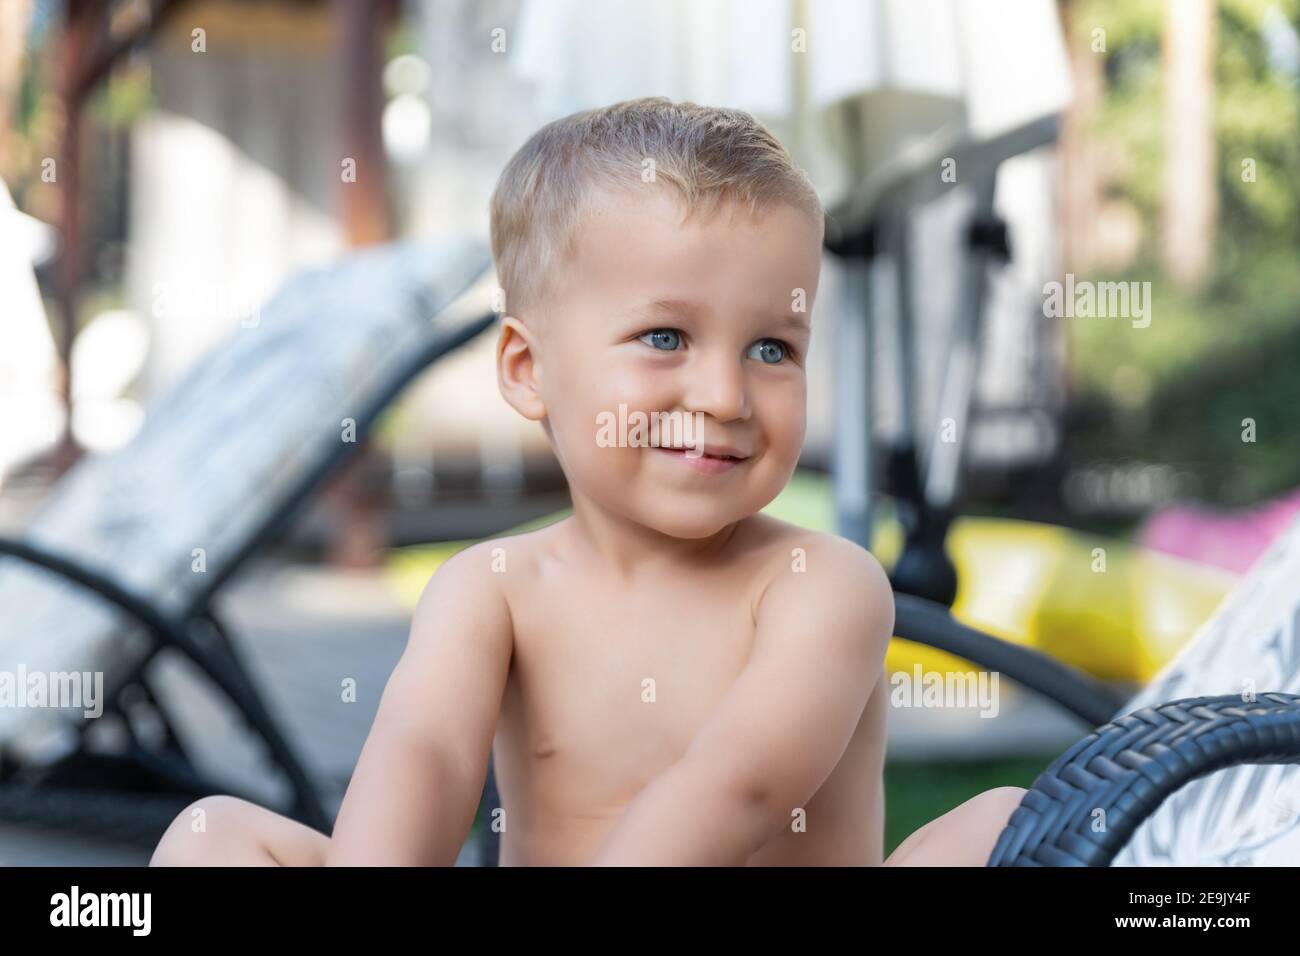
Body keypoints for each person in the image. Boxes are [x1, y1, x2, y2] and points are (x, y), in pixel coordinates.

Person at [151, 97, 1024, 866]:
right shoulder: (490, 591)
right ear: (529, 369)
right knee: (213, 838)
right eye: (664, 337)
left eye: (772, 348)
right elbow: (425, 756)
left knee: (1002, 823)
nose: (724, 397)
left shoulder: (822, 586)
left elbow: (741, 788)